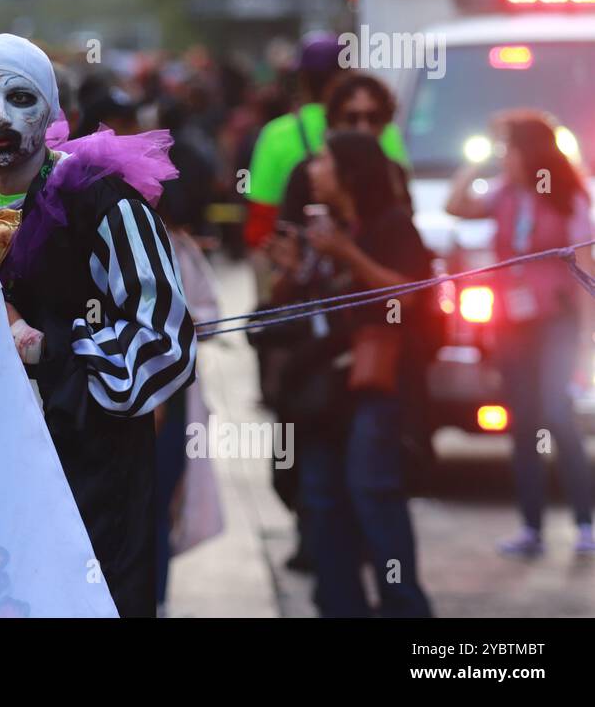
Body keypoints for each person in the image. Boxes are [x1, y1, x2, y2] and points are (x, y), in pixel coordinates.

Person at [0, 23, 197, 617]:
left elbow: (166, 340)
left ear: (51, 109)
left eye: (21, 97)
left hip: (91, 475)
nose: (1, 116)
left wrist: (41, 348)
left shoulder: (102, 201)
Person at [274, 130, 433, 617]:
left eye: (323, 160)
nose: (312, 168)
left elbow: (408, 294)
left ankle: (404, 606)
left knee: (373, 491)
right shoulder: (327, 226)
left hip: (375, 382)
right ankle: (341, 604)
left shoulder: (391, 225)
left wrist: (348, 255)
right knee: (322, 499)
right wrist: (293, 269)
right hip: (325, 389)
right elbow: (306, 308)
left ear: (348, 172)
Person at [446, 110, 595, 557]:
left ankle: (584, 523)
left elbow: (585, 269)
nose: (504, 157)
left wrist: (587, 339)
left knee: (557, 413)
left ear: (530, 152)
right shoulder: (503, 194)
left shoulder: (567, 197)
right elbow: (455, 206)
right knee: (523, 421)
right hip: (511, 325)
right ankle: (531, 528)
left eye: (509, 148)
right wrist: (476, 164)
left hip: (556, 322)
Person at [243, 34, 408, 248]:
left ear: (303, 79)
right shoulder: (383, 129)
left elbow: (261, 220)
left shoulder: (275, 134)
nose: (362, 129)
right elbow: (402, 197)